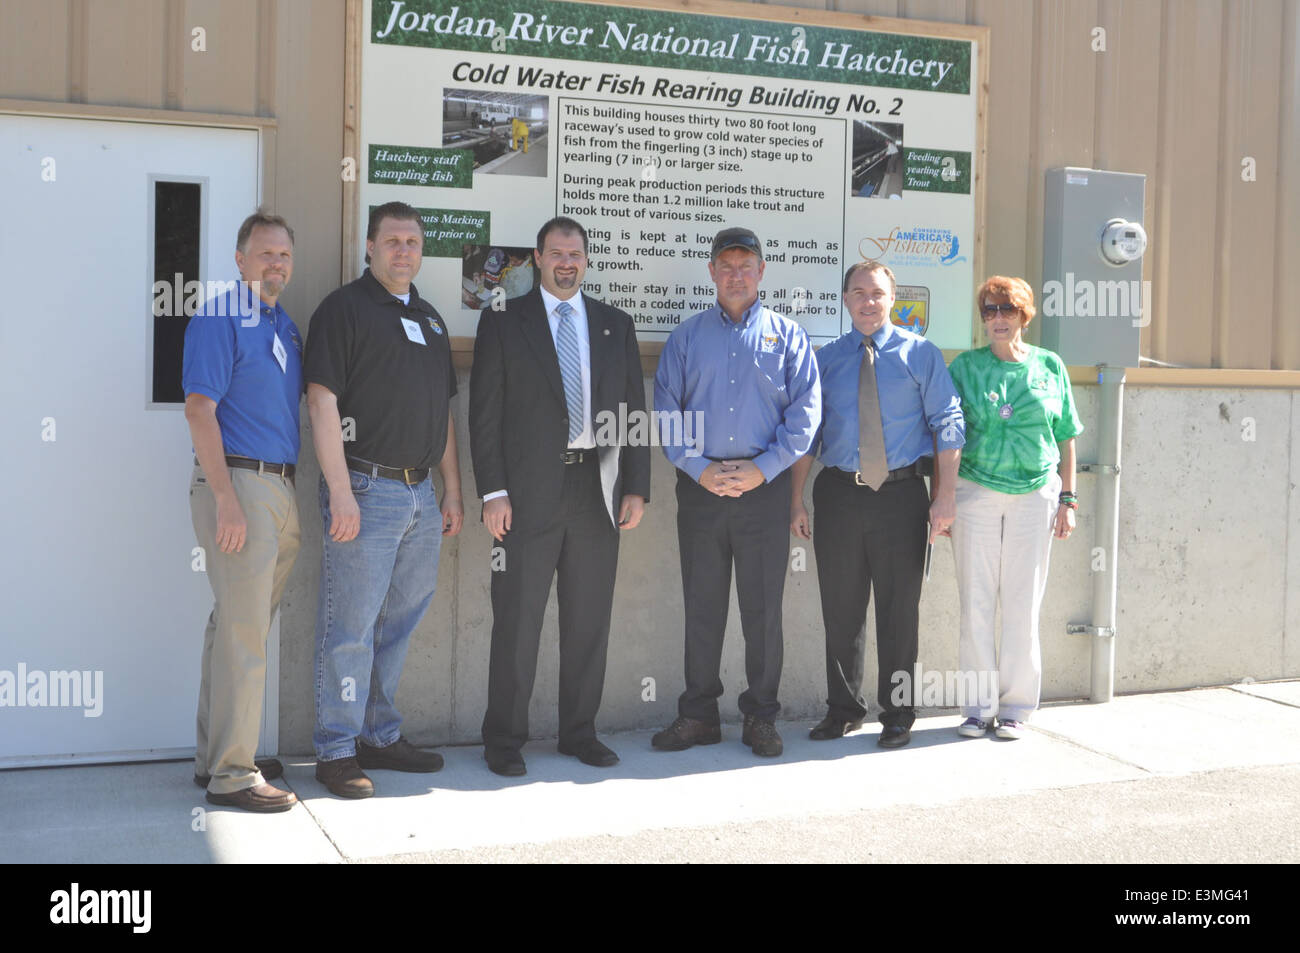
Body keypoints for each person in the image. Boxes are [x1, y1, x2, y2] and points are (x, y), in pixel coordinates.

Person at [470, 217, 650, 777]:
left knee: (588, 619)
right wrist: (493, 491)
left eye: (575, 253)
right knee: (518, 619)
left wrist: (637, 486)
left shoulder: (613, 325)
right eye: (556, 253)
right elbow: (485, 414)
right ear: (539, 258)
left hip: (597, 490)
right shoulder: (503, 322)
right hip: (525, 495)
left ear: (587, 260)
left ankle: (579, 732)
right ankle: (504, 738)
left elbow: (632, 412)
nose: (566, 262)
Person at [303, 201, 464, 798]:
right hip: (365, 490)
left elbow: (442, 413)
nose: (403, 251)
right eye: (392, 241)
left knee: (397, 624)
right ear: (369, 248)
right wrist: (341, 491)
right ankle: (337, 749)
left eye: (413, 242)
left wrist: (452, 488)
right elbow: (321, 402)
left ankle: (378, 734)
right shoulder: (343, 310)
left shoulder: (432, 319)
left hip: (421, 494)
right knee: (350, 625)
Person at [652, 227, 820, 758]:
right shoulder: (686, 337)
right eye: (726, 265)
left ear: (762, 271)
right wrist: (698, 468)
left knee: (762, 611)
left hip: (763, 491)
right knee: (702, 606)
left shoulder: (789, 337)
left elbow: (805, 417)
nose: (736, 274)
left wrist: (763, 469)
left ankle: (761, 717)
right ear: (711, 272)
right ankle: (697, 714)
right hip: (701, 491)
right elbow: (666, 411)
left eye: (746, 265)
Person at [791, 261, 965, 748]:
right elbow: (807, 436)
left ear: (894, 300)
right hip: (839, 494)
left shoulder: (921, 355)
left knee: (898, 610)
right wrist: (796, 502)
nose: (869, 301)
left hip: (903, 497)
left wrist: (944, 496)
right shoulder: (824, 360)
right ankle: (843, 710)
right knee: (841, 610)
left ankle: (898, 712)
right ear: (845, 300)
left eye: (878, 293)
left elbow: (948, 424)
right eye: (859, 293)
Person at [183, 210, 301, 813]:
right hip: (240, 485)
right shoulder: (219, 314)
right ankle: (233, 775)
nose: (275, 264)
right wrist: (227, 498)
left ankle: (219, 756)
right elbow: (199, 410)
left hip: (279, 488)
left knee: (234, 626)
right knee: (242, 632)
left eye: (283, 255)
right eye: (264, 254)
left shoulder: (283, 324)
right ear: (239, 259)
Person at [947, 276, 1081, 740]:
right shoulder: (965, 368)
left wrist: (1068, 497)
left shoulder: (1050, 365)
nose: (997, 318)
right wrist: (942, 498)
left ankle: (1016, 709)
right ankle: (976, 708)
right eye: (989, 310)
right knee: (976, 603)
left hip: (1035, 495)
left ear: (1024, 315)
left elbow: (1066, 434)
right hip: (975, 492)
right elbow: (948, 436)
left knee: (1023, 606)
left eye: (1007, 309)